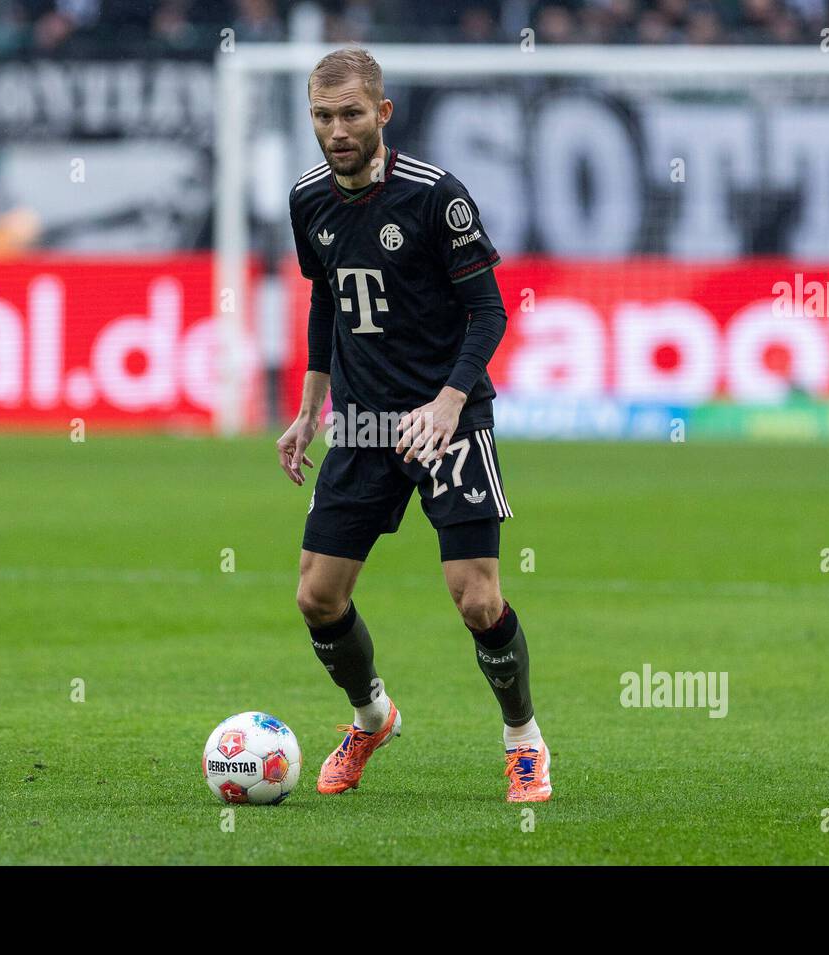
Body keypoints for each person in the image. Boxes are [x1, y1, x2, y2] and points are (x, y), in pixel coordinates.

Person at [276, 47, 551, 803]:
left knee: (478, 599)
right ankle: (372, 717)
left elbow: (488, 310)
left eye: (351, 114)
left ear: (383, 114)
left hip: (448, 422)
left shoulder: (436, 197)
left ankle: (523, 739)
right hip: (360, 423)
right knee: (316, 597)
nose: (336, 130)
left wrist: (451, 402)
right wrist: (310, 408)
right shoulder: (308, 201)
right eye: (323, 116)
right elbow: (328, 299)